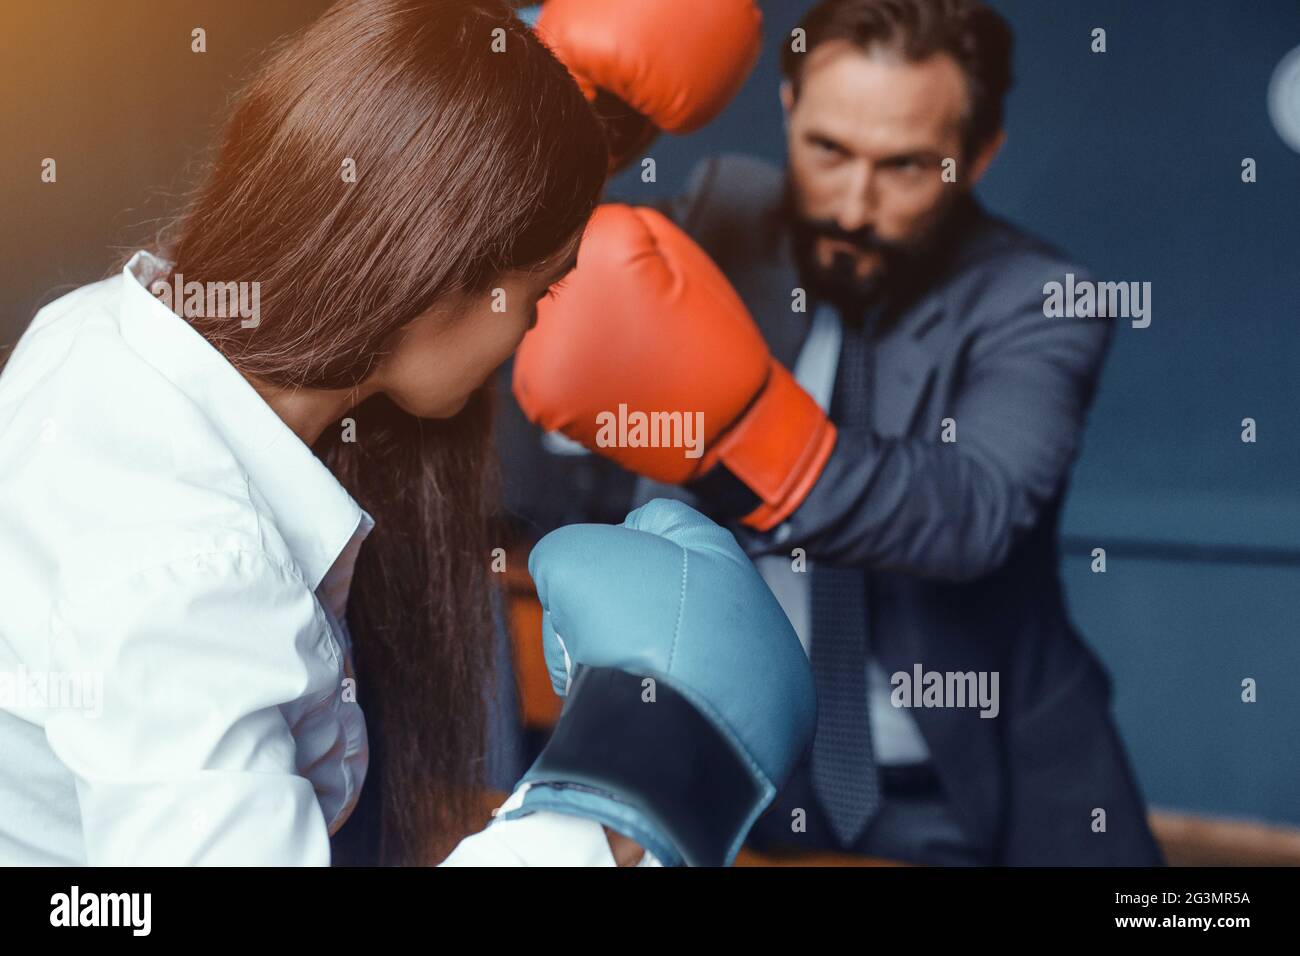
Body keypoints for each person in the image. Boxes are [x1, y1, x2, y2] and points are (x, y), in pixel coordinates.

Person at [0, 0, 814, 867]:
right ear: (434, 277)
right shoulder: (194, 582)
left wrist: (532, 142)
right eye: (542, 293)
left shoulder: (101, 330)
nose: (528, 334)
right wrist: (620, 803)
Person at [505, 0, 1164, 865]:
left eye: (904, 168)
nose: (853, 205)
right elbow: (494, 267)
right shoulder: (713, 218)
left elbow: (971, 510)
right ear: (788, 108)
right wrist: (573, 127)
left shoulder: (1035, 297)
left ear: (980, 154)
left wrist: (744, 440)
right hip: (728, 771)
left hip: (968, 788)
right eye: (828, 150)